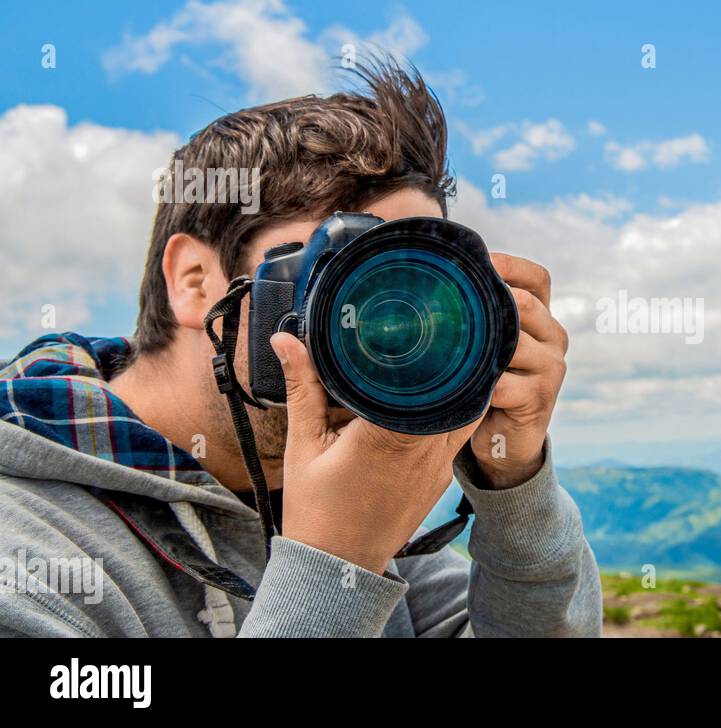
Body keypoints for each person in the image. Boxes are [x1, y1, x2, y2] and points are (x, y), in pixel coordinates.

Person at [0, 59, 601, 637]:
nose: (373, 329)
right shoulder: (27, 557)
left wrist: (513, 481)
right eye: (333, 275)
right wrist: (333, 565)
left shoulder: (352, 510)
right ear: (194, 281)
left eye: (407, 288)